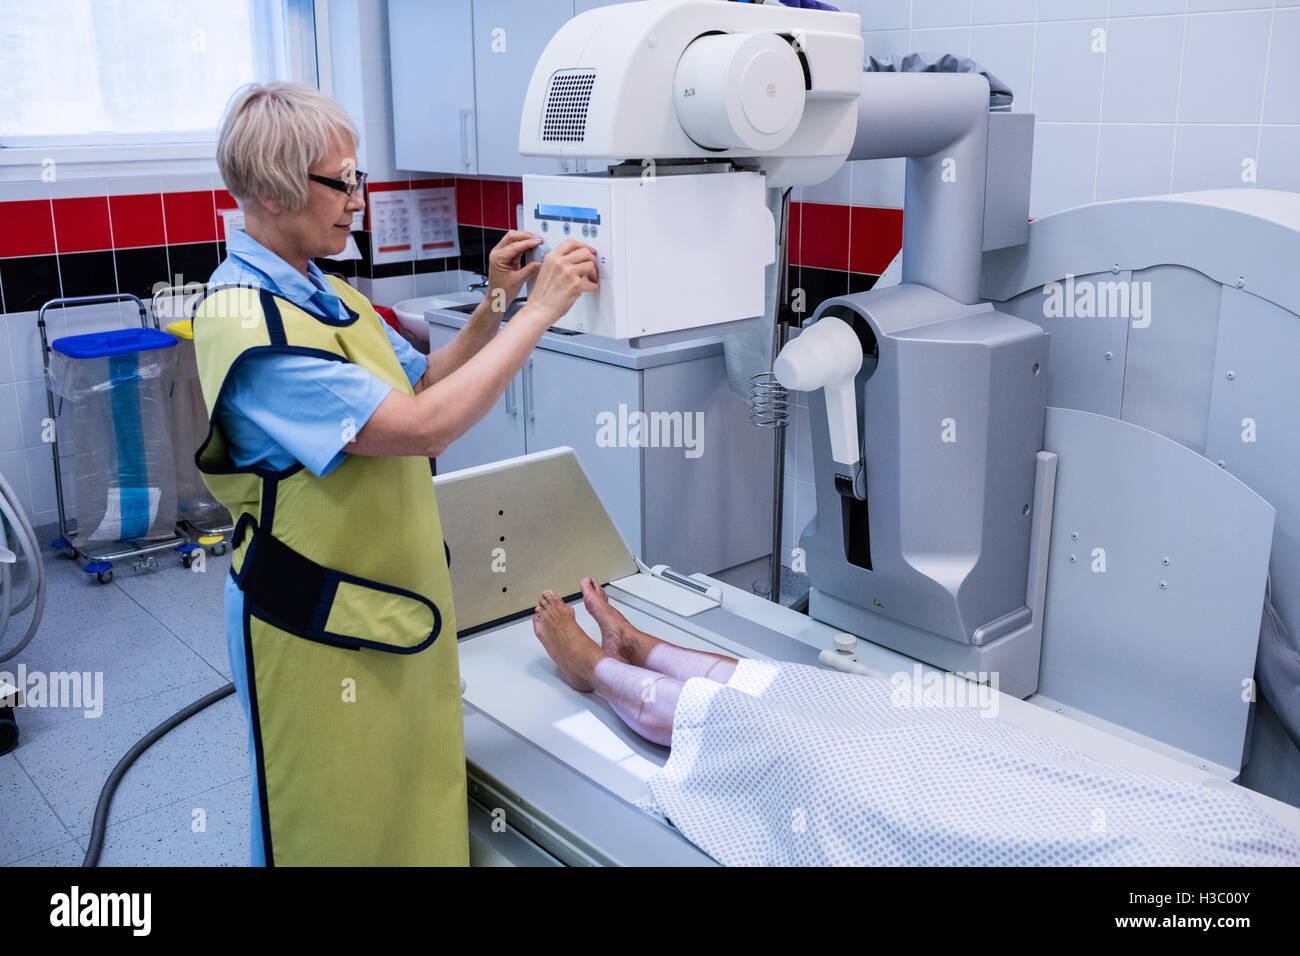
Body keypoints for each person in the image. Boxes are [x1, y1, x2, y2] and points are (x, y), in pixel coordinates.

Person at [194, 81, 597, 866]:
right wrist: (540, 316)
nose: (358, 201)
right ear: (275, 189)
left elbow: (423, 380)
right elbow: (423, 429)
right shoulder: (250, 322)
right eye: (340, 182)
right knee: (329, 823)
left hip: (381, 612)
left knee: (402, 807)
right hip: (310, 626)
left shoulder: (325, 291)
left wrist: (497, 304)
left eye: (359, 179)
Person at [532, 580, 1300, 867]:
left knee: (815, 760)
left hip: (1007, 842)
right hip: (1105, 806)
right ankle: (647, 649)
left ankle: (598, 670)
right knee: (867, 707)